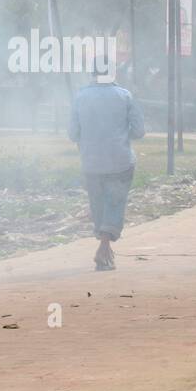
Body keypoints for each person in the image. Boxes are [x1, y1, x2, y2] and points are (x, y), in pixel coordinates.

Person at [68, 68, 146, 271]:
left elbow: (73, 133)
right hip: (120, 160)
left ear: (92, 74)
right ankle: (104, 247)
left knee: (98, 204)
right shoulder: (125, 95)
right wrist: (120, 134)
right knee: (115, 202)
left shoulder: (80, 96)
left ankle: (104, 247)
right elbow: (139, 131)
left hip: (91, 162)